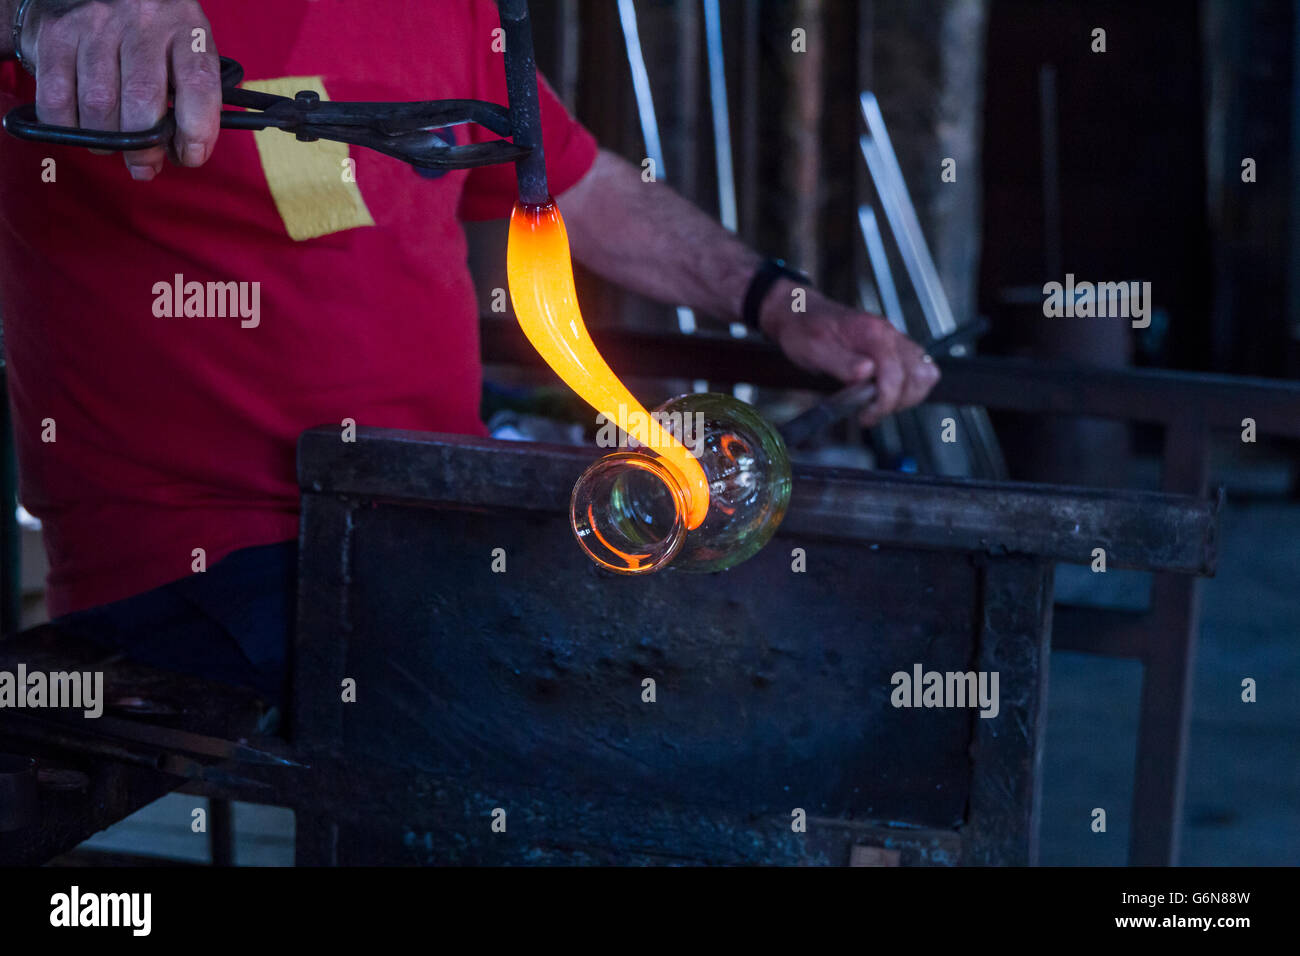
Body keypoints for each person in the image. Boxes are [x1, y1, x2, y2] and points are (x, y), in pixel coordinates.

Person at [0, 0, 939, 703]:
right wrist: (48, 15)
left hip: (437, 521)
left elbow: (576, 184)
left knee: (800, 673)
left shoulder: (446, 8)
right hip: (209, 559)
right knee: (579, 716)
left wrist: (777, 299)